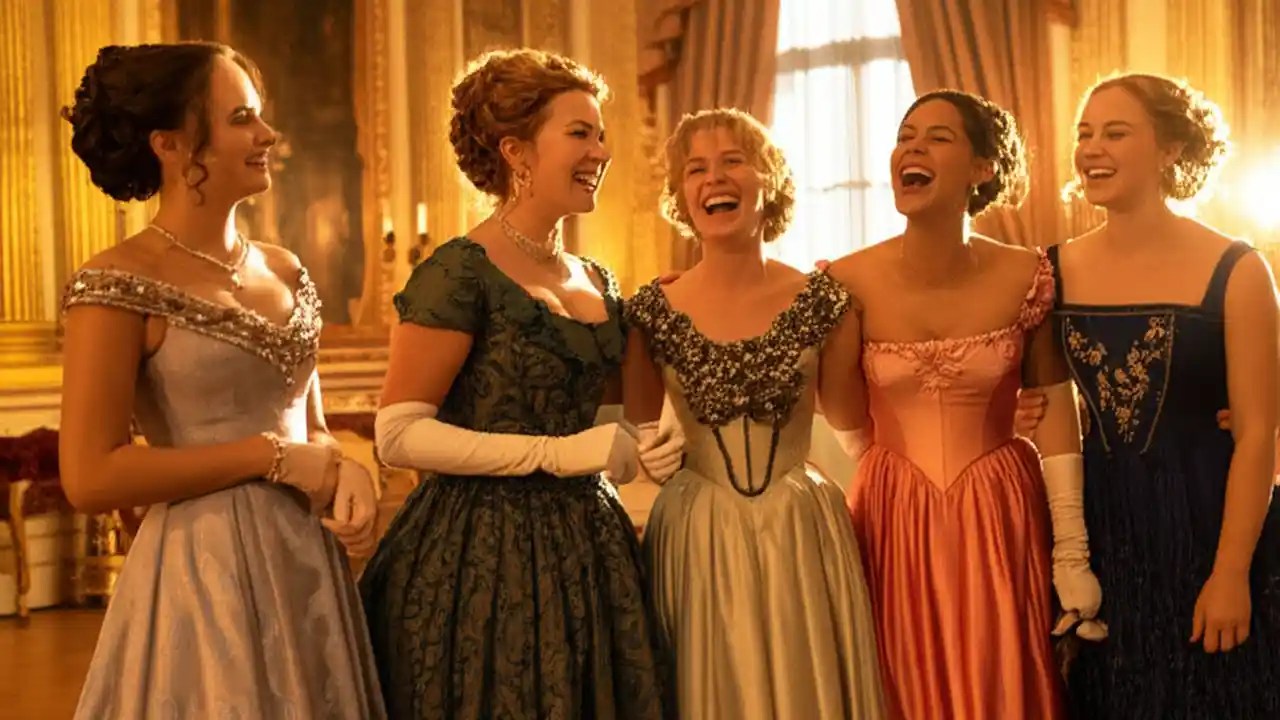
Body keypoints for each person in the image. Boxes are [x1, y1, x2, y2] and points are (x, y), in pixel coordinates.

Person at [58, 42, 383, 719]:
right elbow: (90, 476)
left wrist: (348, 469)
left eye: (259, 116)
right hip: (201, 577)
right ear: (171, 144)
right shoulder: (117, 282)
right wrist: (271, 458)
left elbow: (310, 424)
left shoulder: (286, 269)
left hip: (308, 569)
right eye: (241, 118)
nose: (267, 135)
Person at [357, 48, 673, 719]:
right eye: (580, 132)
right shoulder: (459, 272)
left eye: (601, 133)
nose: (601, 150)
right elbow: (398, 433)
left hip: (589, 545)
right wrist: (551, 455)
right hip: (477, 551)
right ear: (516, 151)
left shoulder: (598, 279)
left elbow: (629, 412)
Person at [825, 89, 1104, 719]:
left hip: (1000, 508)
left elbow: (1056, 409)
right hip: (891, 510)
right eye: (904, 135)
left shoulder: (1028, 273)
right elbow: (843, 414)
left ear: (983, 168)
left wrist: (1071, 553)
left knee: (1001, 676)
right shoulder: (845, 281)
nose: (912, 147)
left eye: (937, 137)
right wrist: (898, 479)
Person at [1020, 72, 1280, 718]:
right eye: (1084, 134)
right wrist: (1069, 551)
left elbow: (1258, 436)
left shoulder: (1239, 269)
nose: (1091, 149)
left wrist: (1230, 572)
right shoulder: (1049, 270)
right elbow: (1048, 406)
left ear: (1169, 150)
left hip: (1210, 525)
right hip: (1107, 531)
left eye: (1115, 132)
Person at [623, 108, 885, 719]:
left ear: (770, 181)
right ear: (681, 196)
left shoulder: (827, 302)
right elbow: (632, 437)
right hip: (695, 535)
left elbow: (859, 430)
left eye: (733, 161)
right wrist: (650, 451)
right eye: (696, 168)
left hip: (801, 529)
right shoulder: (648, 313)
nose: (715, 178)